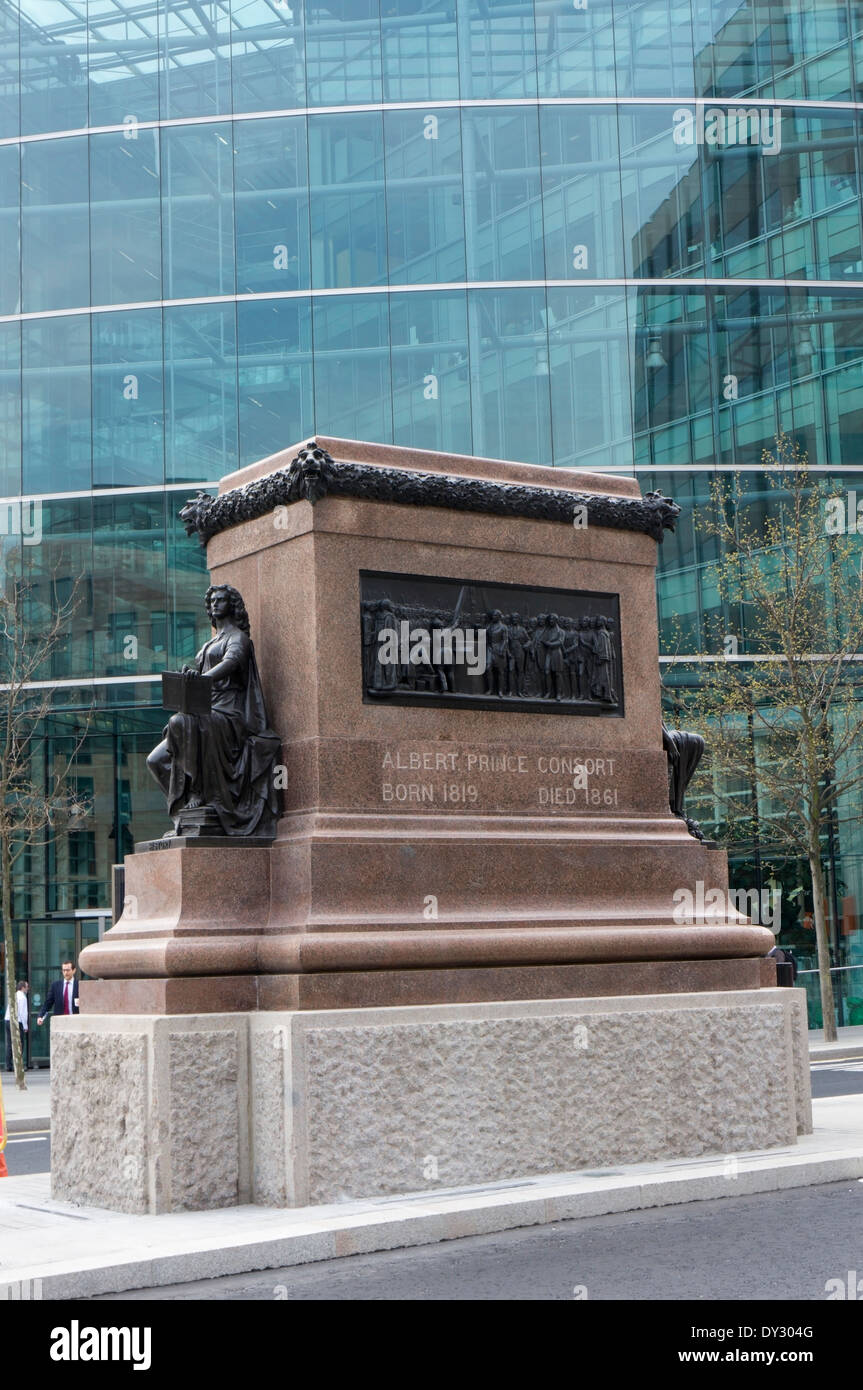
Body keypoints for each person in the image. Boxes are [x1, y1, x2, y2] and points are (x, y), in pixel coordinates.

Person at [147, 584, 281, 837]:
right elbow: (205, 674)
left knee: (180, 722)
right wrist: (192, 676)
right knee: (155, 761)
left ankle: (198, 793)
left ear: (232, 605)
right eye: (212, 601)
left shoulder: (237, 638)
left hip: (229, 714)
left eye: (221, 600)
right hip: (204, 711)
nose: (215, 604)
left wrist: (200, 679)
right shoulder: (211, 642)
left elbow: (231, 663)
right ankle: (185, 812)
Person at [37, 960, 79, 1026]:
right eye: (64, 970)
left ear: (74, 970)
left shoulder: (79, 985)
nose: (65, 973)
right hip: (60, 1022)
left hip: (76, 1022)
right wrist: (41, 1016)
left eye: (68, 970)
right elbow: (48, 1003)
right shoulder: (55, 986)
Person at [4, 980, 28, 1071]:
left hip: (7, 1020)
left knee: (10, 1044)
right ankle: (18, 1065)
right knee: (19, 1043)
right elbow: (23, 1013)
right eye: (27, 987)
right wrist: (25, 1026)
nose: (28, 989)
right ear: (23, 988)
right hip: (17, 1022)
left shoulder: (14, 995)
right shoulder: (23, 997)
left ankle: (8, 1065)